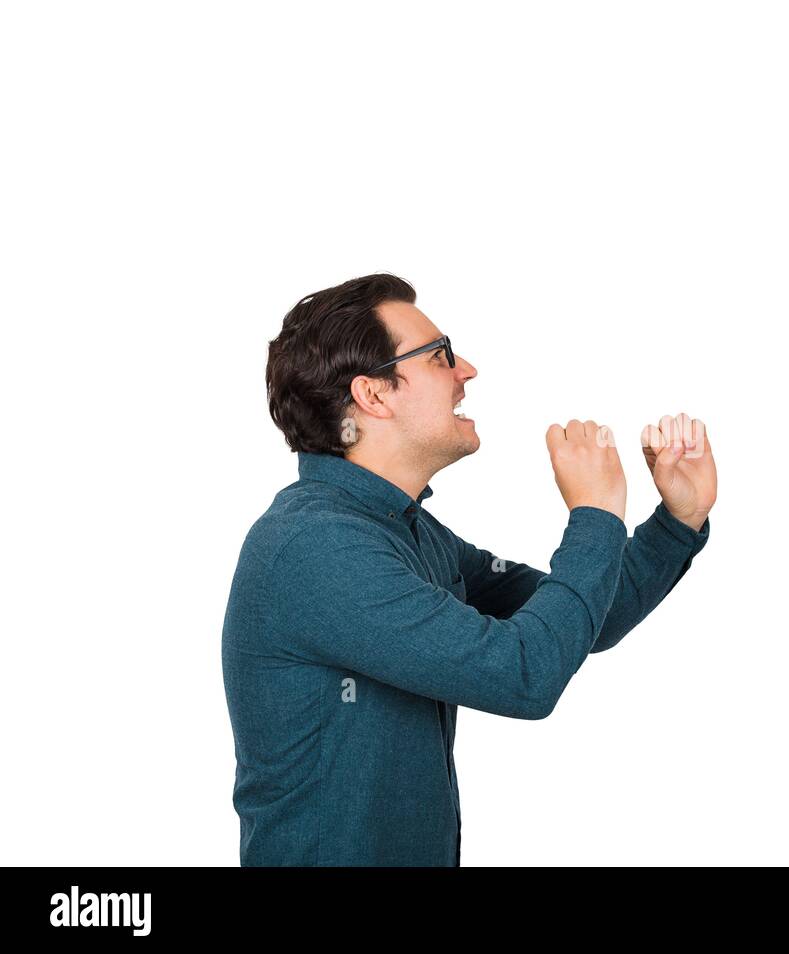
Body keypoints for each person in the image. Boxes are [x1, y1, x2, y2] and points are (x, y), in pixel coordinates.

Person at [221, 273, 717, 865]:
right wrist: (595, 513)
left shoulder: (406, 532)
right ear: (373, 395)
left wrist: (677, 523)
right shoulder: (315, 546)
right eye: (440, 357)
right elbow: (523, 675)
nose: (467, 371)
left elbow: (582, 620)